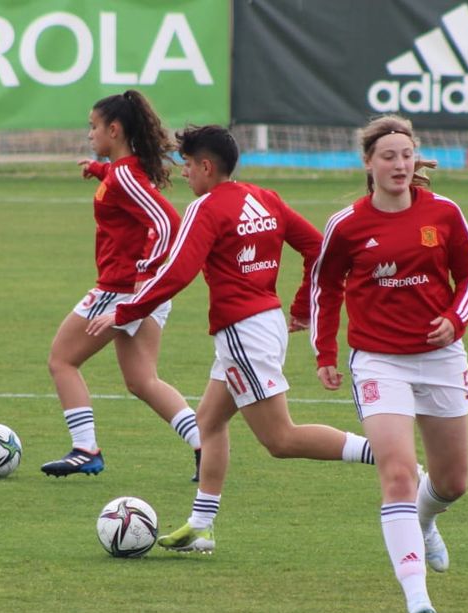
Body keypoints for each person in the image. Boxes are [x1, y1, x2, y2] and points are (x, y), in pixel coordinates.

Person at [87, 124, 375, 553]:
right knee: (209, 421)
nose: (183, 174)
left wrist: (124, 311)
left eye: (187, 166)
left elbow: (176, 272)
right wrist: (300, 308)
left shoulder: (206, 209)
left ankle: (390, 456)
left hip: (242, 332)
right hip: (264, 323)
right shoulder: (265, 197)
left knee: (281, 440)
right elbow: (320, 249)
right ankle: (201, 525)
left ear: (206, 167)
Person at [309, 114, 468, 613]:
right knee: (398, 474)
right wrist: (324, 352)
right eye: (388, 156)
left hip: (441, 359)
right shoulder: (346, 225)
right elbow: (326, 286)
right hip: (377, 361)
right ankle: (417, 601)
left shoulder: (445, 214)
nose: (399, 165)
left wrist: (454, 320)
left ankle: (427, 520)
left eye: (406, 155)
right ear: (368, 163)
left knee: (451, 482)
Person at [39, 90, 201, 481]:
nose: (89, 134)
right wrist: (98, 171)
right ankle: (205, 443)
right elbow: (127, 190)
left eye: (93, 127)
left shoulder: (125, 175)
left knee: (62, 360)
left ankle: (85, 449)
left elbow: (167, 224)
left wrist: (144, 273)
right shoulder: (122, 171)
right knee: (142, 380)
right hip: (139, 290)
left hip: (122, 288)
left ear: (114, 129)